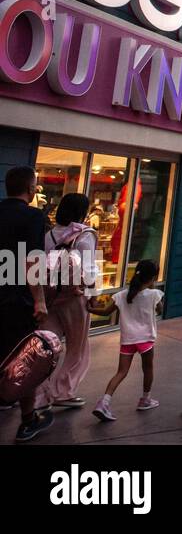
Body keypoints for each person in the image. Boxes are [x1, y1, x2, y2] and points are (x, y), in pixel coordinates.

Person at [0, 166, 53, 441]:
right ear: (31, 190)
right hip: (17, 298)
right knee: (26, 359)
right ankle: (28, 419)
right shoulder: (32, 217)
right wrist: (39, 301)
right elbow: (32, 259)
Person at [34, 193, 98, 413]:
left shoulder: (49, 235)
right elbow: (89, 267)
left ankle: (40, 394)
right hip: (75, 296)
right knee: (77, 346)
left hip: (50, 295)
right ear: (83, 211)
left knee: (48, 346)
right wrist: (94, 293)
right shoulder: (84, 235)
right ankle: (63, 391)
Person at [90, 259, 163, 421]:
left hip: (127, 340)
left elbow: (105, 312)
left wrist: (89, 308)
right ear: (152, 278)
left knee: (121, 372)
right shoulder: (154, 295)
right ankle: (145, 399)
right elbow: (159, 309)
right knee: (148, 369)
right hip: (146, 340)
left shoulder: (121, 295)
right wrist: (152, 288)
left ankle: (104, 402)